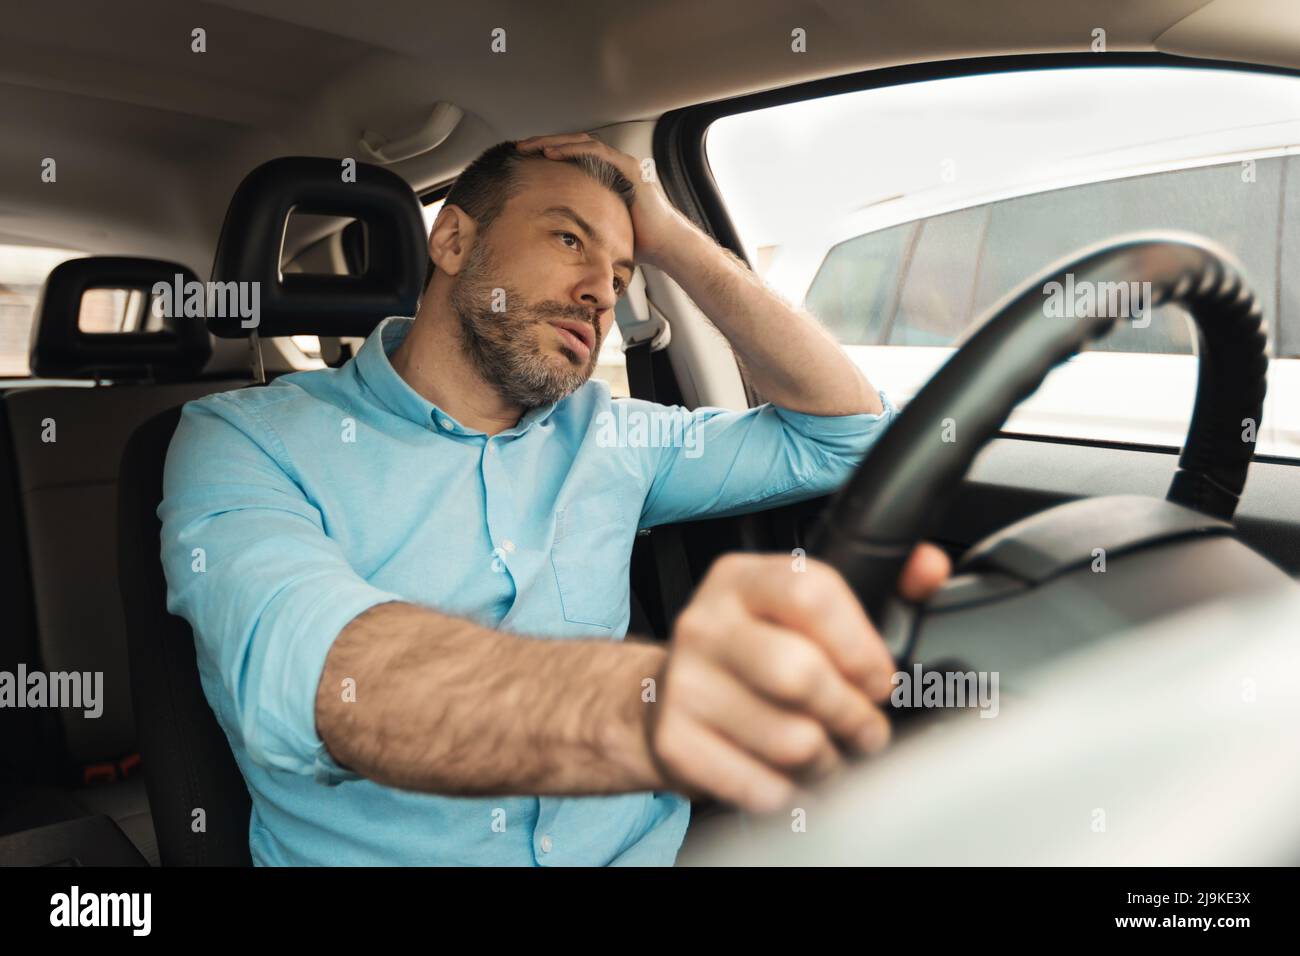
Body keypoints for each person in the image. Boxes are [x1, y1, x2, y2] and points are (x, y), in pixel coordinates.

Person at [160, 133, 950, 865]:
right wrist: (670, 708)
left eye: (619, 276)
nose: (598, 294)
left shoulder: (615, 437)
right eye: (569, 240)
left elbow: (849, 436)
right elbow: (318, 671)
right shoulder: (241, 441)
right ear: (454, 241)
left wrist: (671, 239)